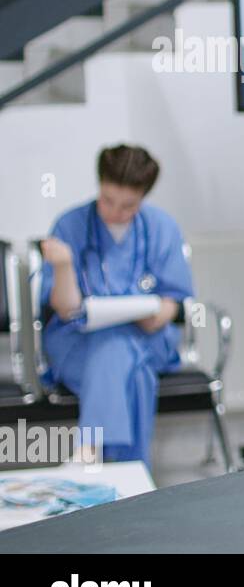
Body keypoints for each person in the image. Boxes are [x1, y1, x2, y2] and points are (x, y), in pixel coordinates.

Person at [40, 144, 194, 466]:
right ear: (99, 186)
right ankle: (131, 482)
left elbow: (174, 303)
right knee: (132, 372)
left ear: (143, 198)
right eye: (108, 200)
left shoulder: (162, 228)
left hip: (148, 338)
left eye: (128, 205)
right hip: (78, 344)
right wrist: (65, 265)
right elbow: (66, 310)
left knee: (116, 348)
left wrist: (154, 316)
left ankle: (88, 453)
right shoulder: (69, 226)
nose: (115, 211)